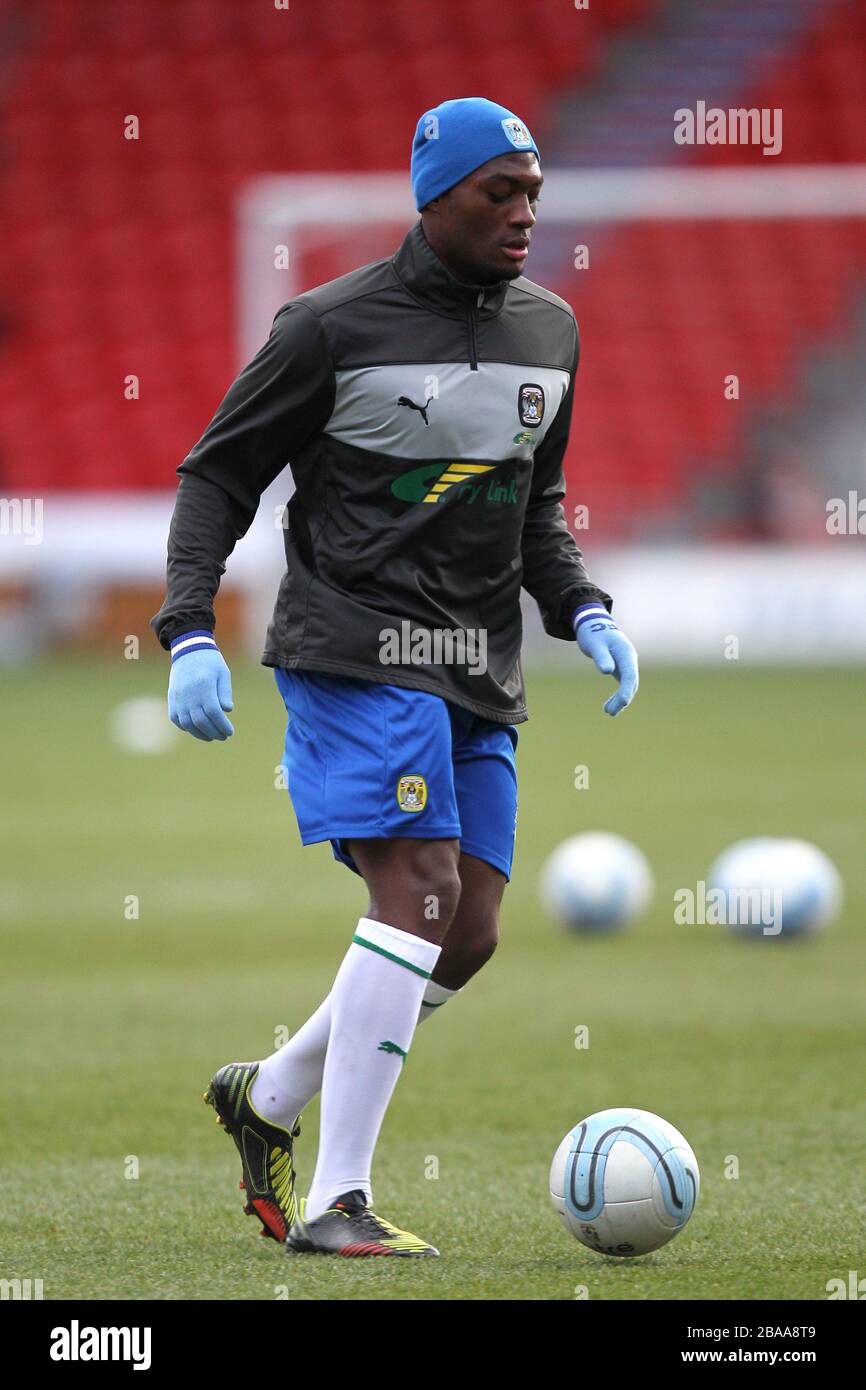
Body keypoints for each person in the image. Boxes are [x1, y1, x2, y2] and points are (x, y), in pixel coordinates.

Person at [151, 96, 639, 1258]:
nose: (524, 214)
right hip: (354, 644)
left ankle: (264, 1093)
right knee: (416, 890)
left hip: (475, 660)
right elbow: (217, 477)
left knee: (464, 931)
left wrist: (582, 606)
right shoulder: (326, 327)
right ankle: (336, 1200)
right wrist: (186, 631)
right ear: (434, 195)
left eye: (532, 193)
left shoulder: (549, 332)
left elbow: (537, 507)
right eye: (498, 193)